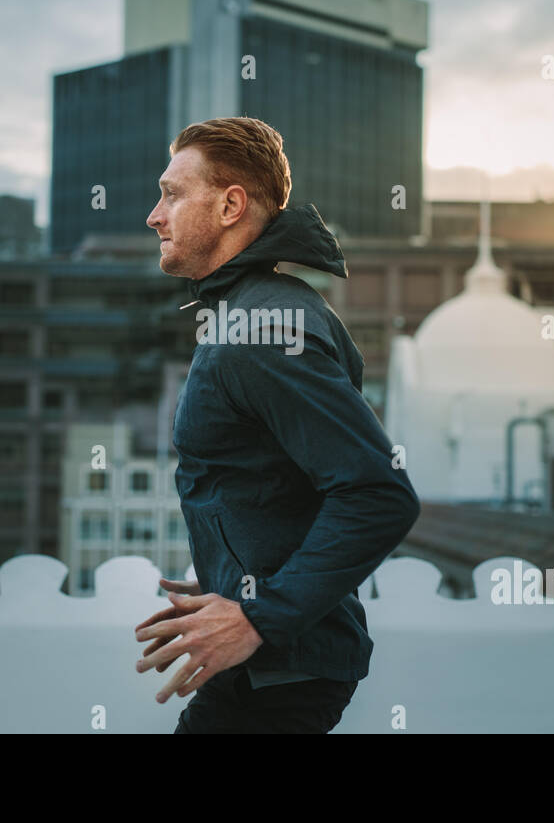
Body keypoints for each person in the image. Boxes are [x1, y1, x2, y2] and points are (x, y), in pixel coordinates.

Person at [132, 116, 421, 734]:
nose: (155, 216)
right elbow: (286, 479)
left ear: (231, 204)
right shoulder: (255, 312)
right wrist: (235, 577)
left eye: (173, 194)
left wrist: (257, 615)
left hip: (281, 672)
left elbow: (377, 494)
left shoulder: (262, 330)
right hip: (272, 665)